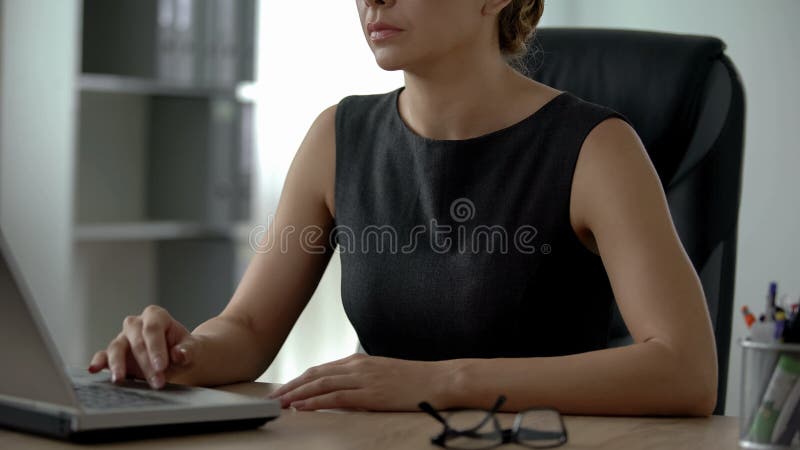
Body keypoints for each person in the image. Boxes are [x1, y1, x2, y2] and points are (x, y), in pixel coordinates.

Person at [88, 0, 718, 416]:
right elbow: (249, 331)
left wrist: (444, 383)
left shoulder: (596, 149)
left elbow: (687, 371)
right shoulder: (337, 135)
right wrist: (177, 357)